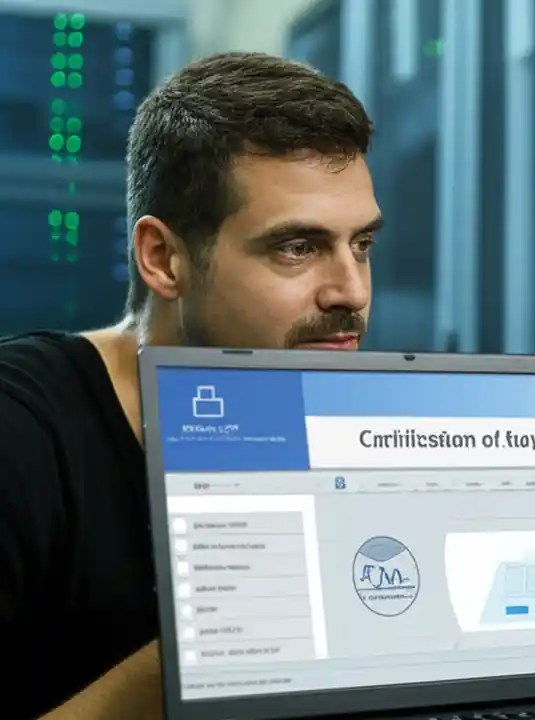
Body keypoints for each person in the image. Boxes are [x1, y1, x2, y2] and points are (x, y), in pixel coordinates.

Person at [0, 52, 380, 719]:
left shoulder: (353, 429)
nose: (350, 291)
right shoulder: (20, 430)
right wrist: (215, 645)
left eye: (362, 246)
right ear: (164, 259)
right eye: (297, 247)